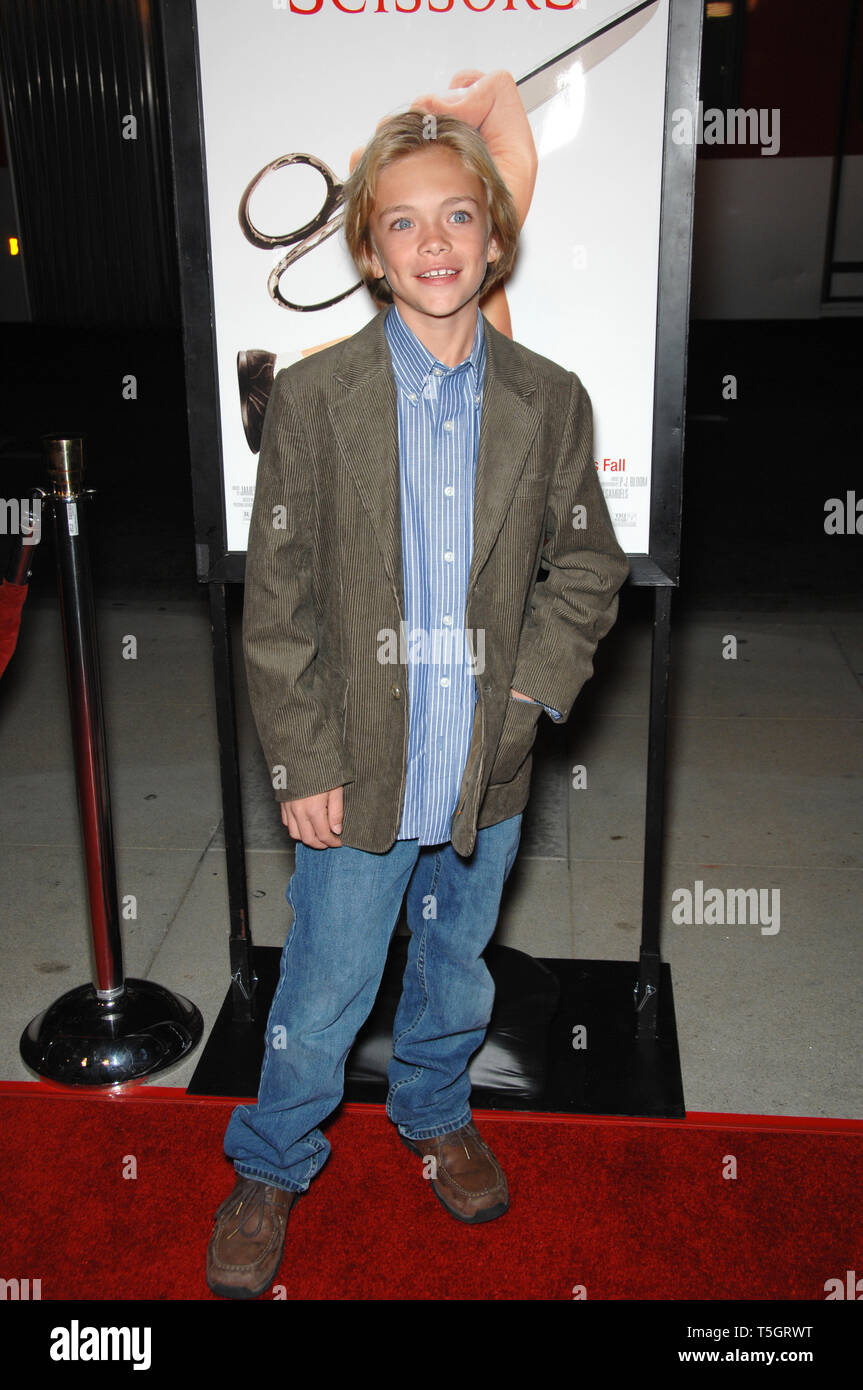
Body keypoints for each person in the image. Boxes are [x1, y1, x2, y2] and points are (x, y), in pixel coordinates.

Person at [206, 110, 629, 1300]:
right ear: (366, 251)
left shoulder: (548, 399)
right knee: (326, 982)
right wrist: (301, 761)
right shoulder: (315, 398)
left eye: (455, 215)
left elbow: (586, 563)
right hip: (359, 768)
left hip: (482, 767)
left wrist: (533, 694)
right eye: (402, 221)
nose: (432, 240)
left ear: (492, 239)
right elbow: (277, 602)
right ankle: (274, 1162)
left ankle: (435, 1111)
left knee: (455, 961)